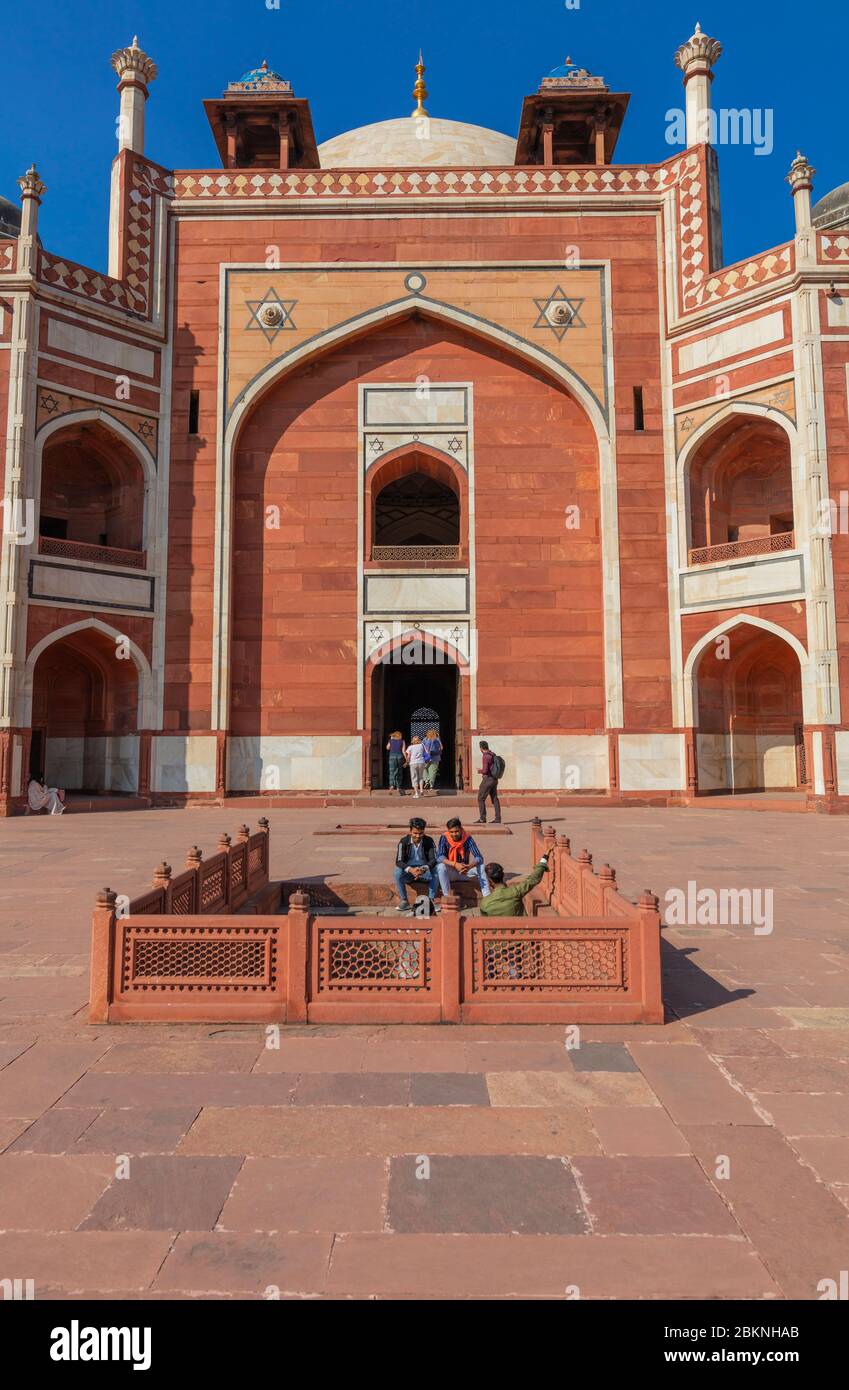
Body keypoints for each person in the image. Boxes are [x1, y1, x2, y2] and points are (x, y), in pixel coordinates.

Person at [478, 852, 551, 916]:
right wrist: (545, 857)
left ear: (490, 881)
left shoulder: (484, 904)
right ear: (503, 875)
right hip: (520, 931)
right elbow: (534, 878)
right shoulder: (516, 891)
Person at [436, 817, 491, 898]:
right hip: (451, 872)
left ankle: (487, 896)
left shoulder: (467, 838)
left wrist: (469, 866)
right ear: (448, 831)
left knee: (482, 866)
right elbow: (440, 857)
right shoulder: (444, 837)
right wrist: (455, 864)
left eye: (456, 831)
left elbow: (479, 857)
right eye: (451, 832)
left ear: (461, 829)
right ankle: (447, 897)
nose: (454, 834)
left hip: (465, 871)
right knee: (440, 867)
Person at [393, 816, 438, 913]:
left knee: (437, 871)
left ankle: (431, 900)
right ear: (410, 831)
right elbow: (399, 861)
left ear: (424, 831)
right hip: (409, 873)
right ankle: (404, 900)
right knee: (397, 872)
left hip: (424, 872)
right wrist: (411, 870)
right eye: (415, 833)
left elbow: (433, 860)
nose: (418, 836)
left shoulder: (429, 841)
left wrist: (423, 869)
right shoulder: (403, 841)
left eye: (420, 833)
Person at [473, 739, 502, 825]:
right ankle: (498, 818)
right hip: (494, 779)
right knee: (494, 798)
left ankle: (482, 818)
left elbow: (485, 771)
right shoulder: (492, 754)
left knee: (480, 798)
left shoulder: (485, 756)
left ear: (481, 748)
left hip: (488, 779)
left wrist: (479, 771)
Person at [422, 727, 443, 793]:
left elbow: (422, 748)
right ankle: (431, 786)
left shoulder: (425, 739)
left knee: (423, 768)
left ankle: (426, 780)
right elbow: (441, 748)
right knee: (433, 772)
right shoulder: (437, 739)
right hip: (436, 757)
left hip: (426, 757)